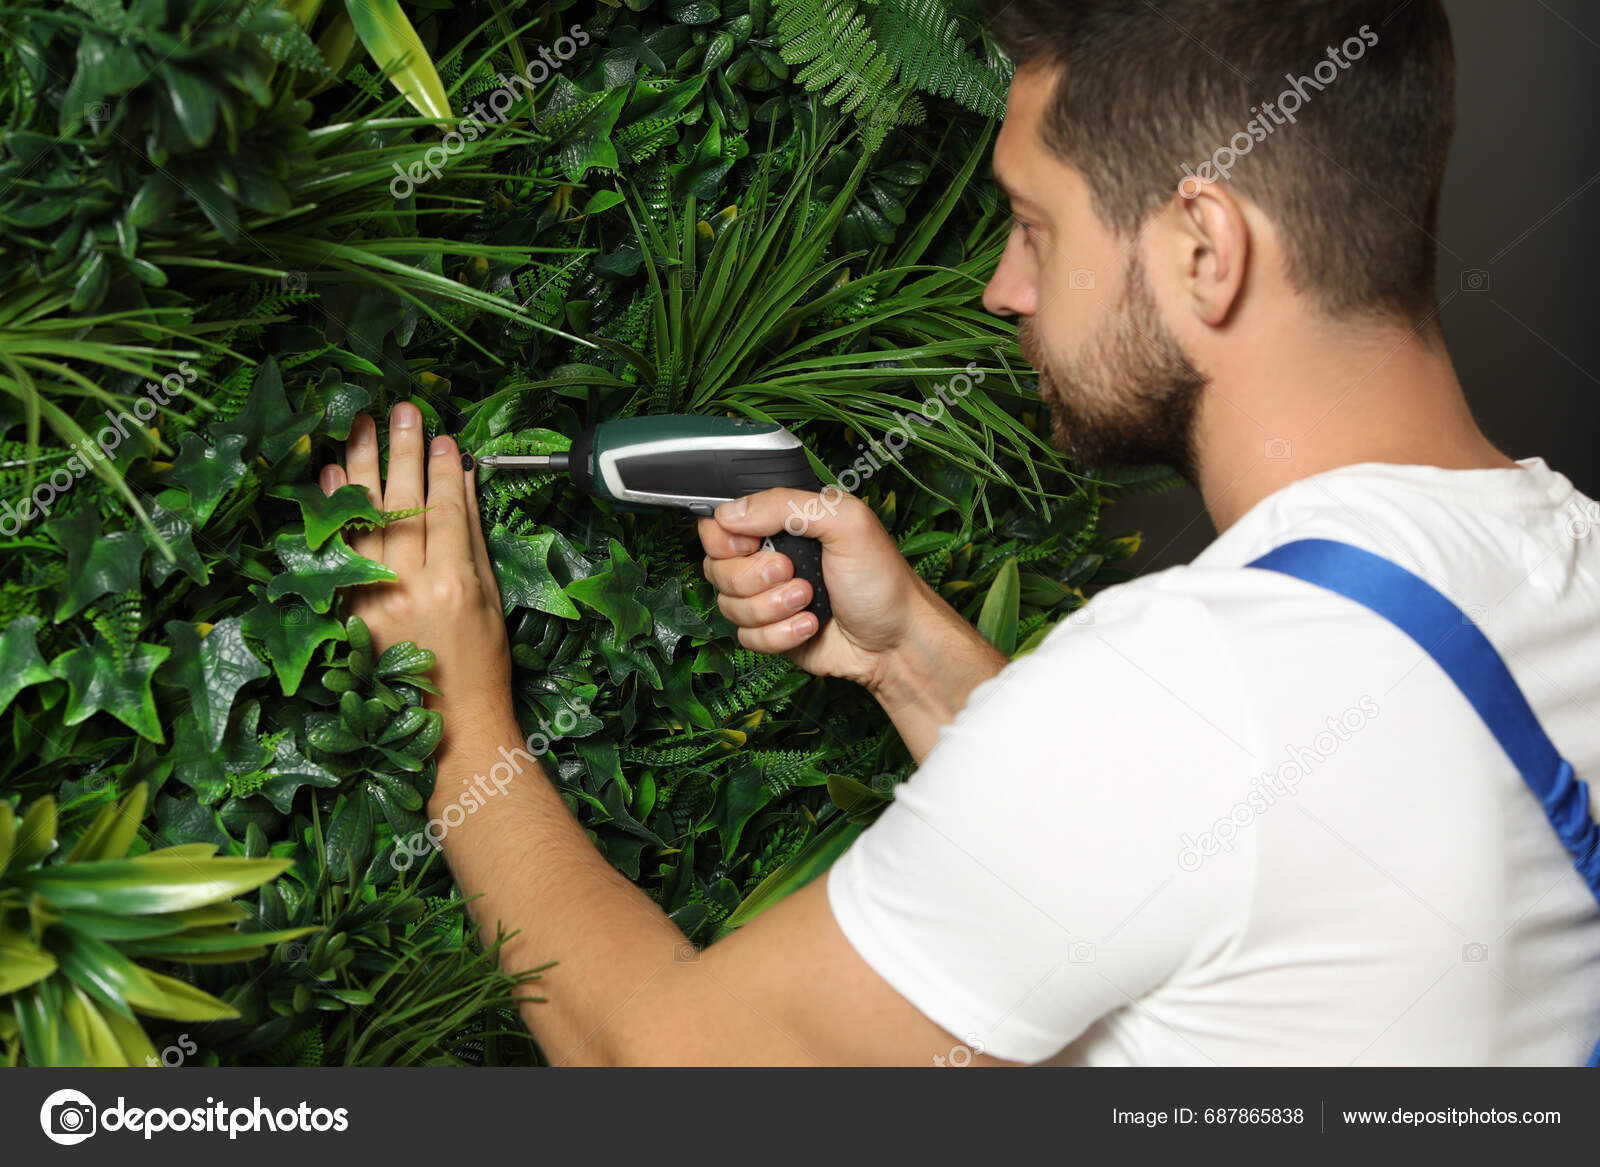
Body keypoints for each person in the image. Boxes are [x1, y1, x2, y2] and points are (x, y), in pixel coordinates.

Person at [317, 0, 1600, 1064]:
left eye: (1035, 224)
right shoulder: (1561, 563)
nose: (1004, 288)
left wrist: (459, 713)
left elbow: (662, 1065)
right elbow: (1217, 847)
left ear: (1204, 249)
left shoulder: (1187, 702)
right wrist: (908, 657)